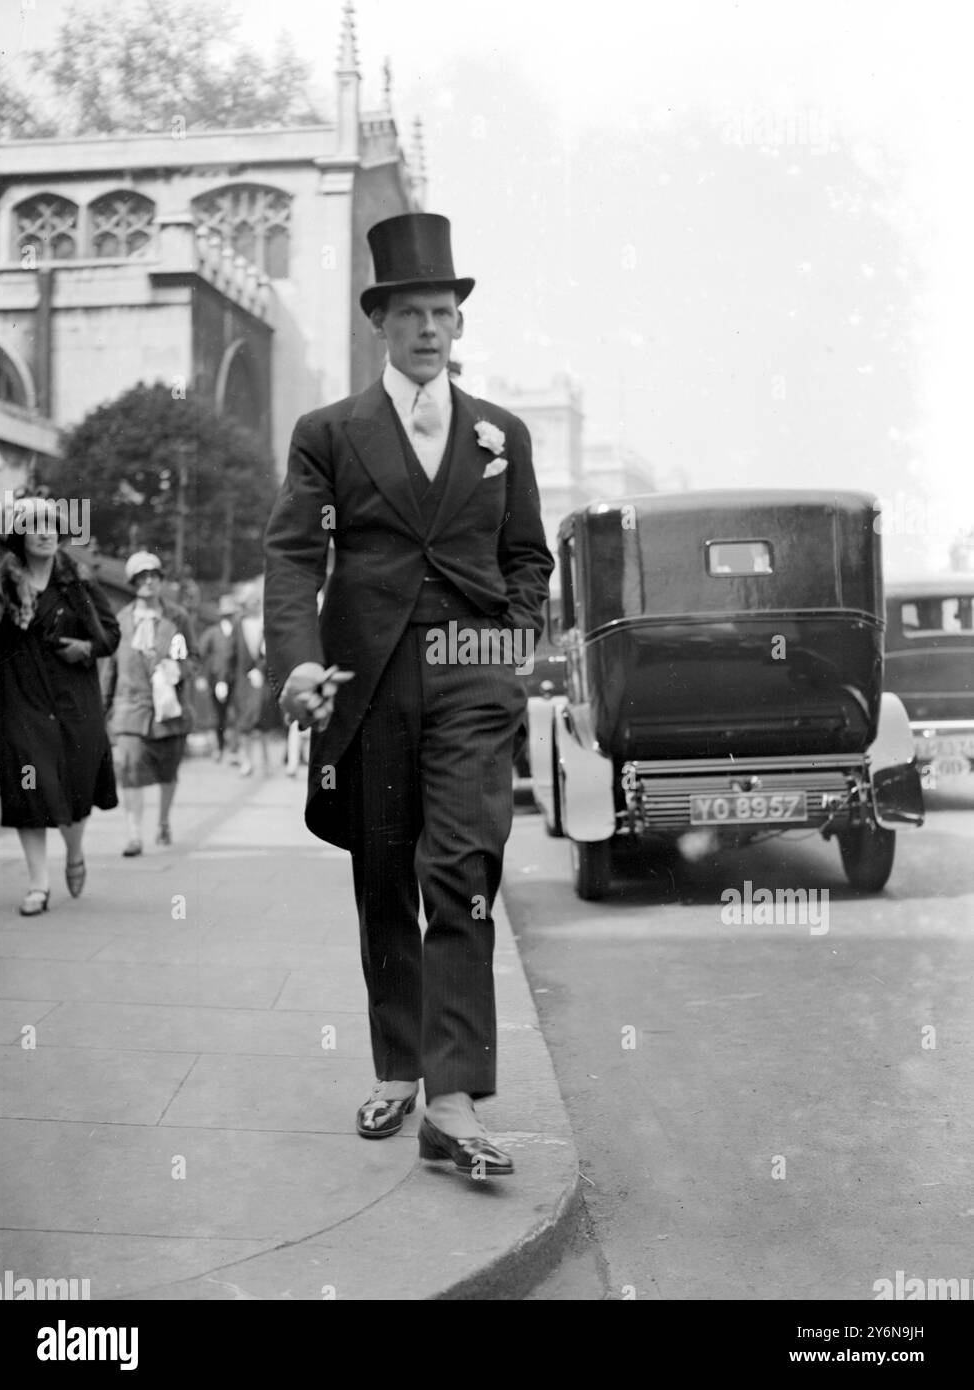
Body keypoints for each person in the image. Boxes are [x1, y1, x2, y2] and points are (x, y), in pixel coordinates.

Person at [264, 212, 553, 1177]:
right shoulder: (328, 434)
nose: (430, 330)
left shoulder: (500, 434)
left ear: (457, 325)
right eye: (411, 313)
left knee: (463, 867)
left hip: (472, 673)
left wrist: (507, 651)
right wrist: (298, 662)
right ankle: (398, 1063)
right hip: (367, 678)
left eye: (444, 313)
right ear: (380, 323)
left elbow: (527, 561)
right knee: (381, 871)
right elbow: (294, 554)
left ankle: (456, 1093)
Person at [0, 497, 120, 915]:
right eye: (35, 525)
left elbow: (110, 635)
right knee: (27, 787)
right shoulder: (4, 584)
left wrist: (84, 647)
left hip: (73, 699)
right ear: (20, 535)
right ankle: (38, 884)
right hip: (21, 697)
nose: (45, 532)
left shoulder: (77, 579)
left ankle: (75, 852)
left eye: (51, 525)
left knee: (75, 787)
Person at [106, 551, 196, 855]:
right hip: (130, 707)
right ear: (133, 583)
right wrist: (106, 710)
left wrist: (177, 668)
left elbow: (192, 657)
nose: (148, 582)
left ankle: (163, 822)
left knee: (167, 770)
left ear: (160, 581)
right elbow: (111, 668)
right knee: (128, 768)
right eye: (141, 578)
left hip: (168, 708)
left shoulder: (177, 617)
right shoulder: (121, 620)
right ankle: (133, 834)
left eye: (153, 576)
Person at [231, 585, 279, 777]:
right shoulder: (238, 624)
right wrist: (223, 680)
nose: (255, 605)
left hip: (262, 680)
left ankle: (266, 761)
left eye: (257, 601)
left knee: (263, 720)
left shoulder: (265, 625)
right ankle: (247, 760)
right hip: (243, 681)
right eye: (252, 602)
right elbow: (230, 653)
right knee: (244, 722)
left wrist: (260, 669)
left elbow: (272, 651)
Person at [198, 593, 240, 761]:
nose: (229, 617)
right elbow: (201, 653)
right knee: (218, 716)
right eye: (227, 614)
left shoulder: (238, 632)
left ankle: (234, 750)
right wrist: (202, 675)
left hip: (234, 679)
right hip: (215, 679)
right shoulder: (213, 633)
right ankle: (220, 748)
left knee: (236, 715)